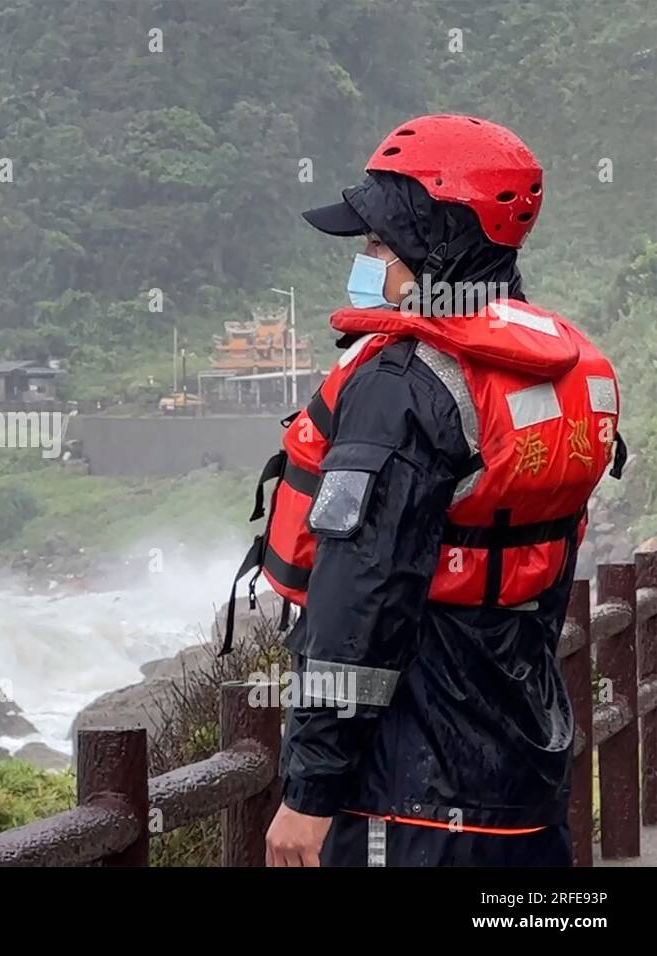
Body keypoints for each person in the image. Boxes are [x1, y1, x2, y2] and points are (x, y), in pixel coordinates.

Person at [224, 114, 625, 866]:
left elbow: (360, 602)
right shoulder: (564, 372)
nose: (368, 260)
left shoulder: (402, 386)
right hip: (526, 785)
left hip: (404, 802)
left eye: (379, 243)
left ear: (433, 242)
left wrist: (309, 795)